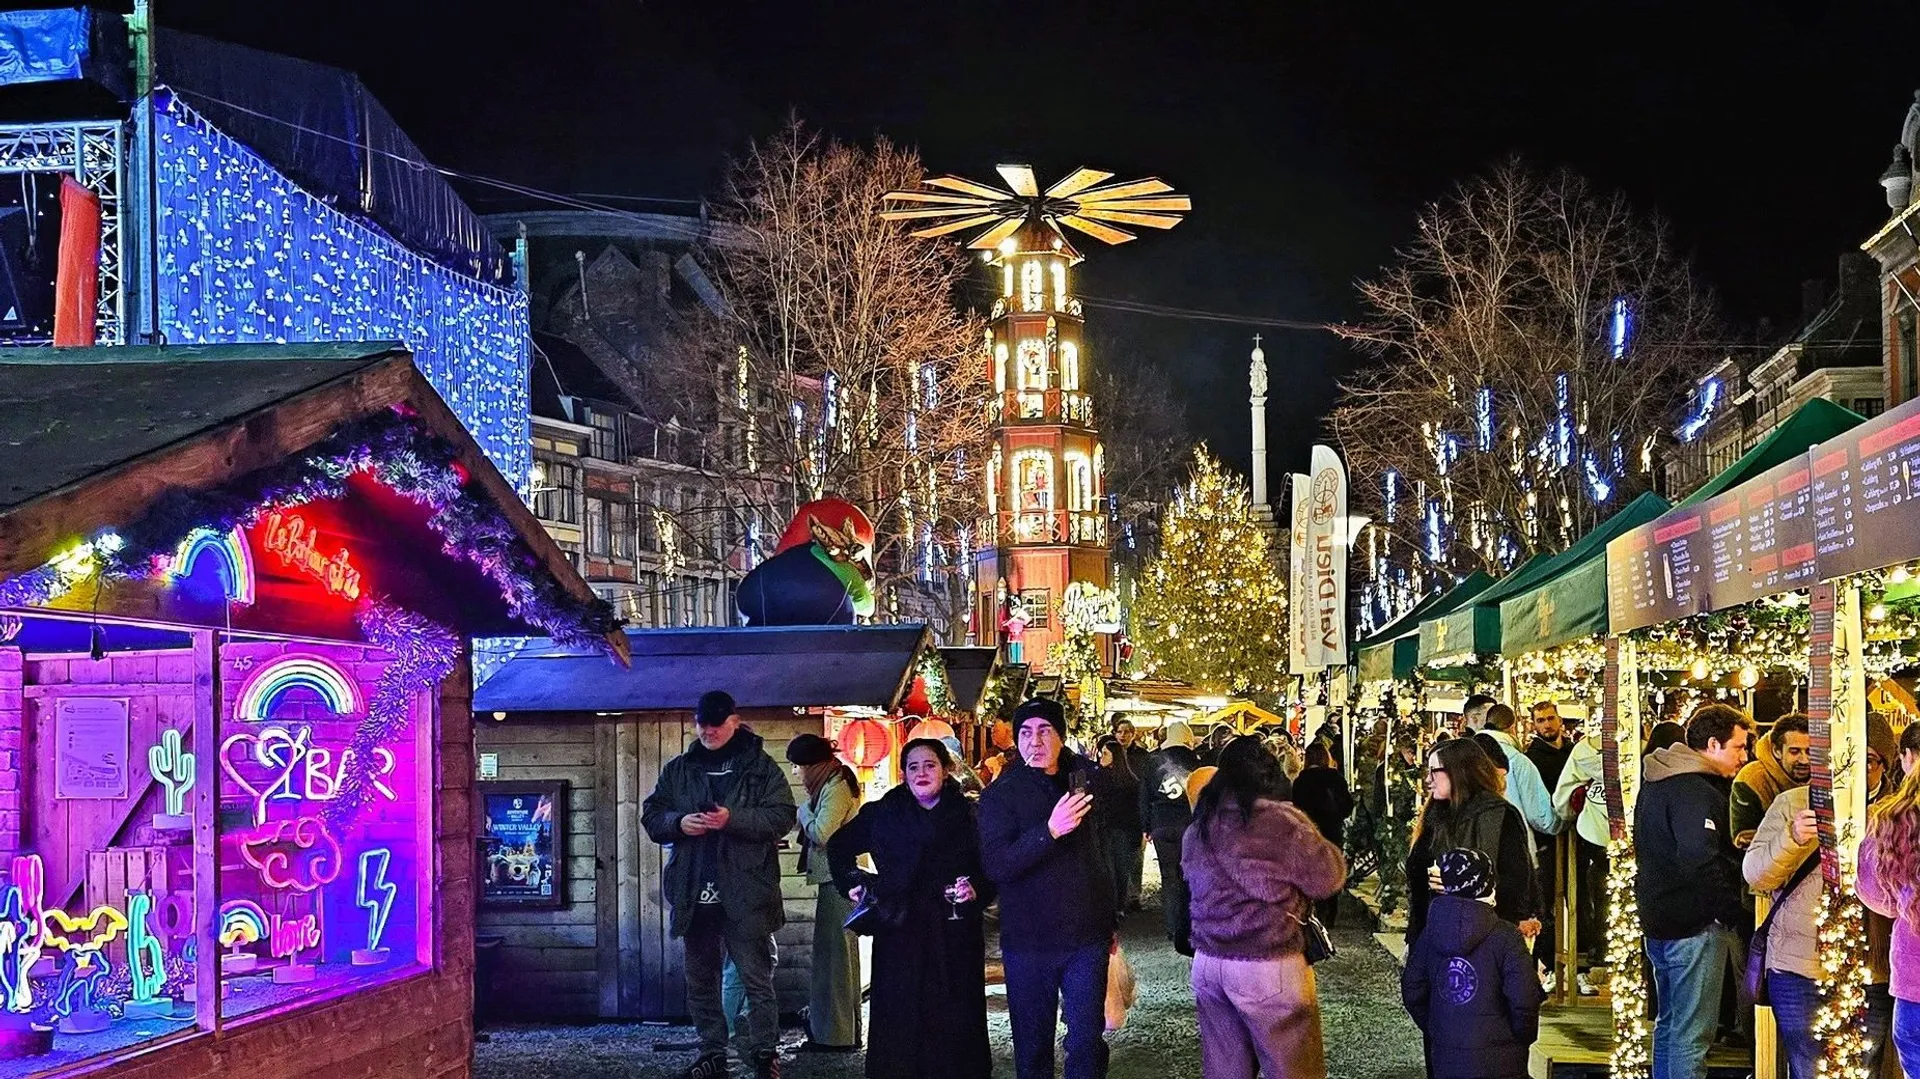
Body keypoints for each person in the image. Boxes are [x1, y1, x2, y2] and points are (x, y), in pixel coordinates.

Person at [641, 691, 799, 1079]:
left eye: (715, 723)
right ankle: (712, 1050)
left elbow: (782, 817)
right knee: (701, 981)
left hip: (747, 893)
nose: (708, 731)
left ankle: (764, 1053)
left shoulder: (760, 768)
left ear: (733, 721)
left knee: (755, 978)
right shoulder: (679, 769)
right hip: (694, 891)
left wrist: (733, 819)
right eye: (702, 724)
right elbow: (652, 815)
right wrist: (678, 823)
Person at [1181, 736, 1347, 1079]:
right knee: (1293, 1069)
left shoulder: (1199, 826)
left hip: (1209, 963)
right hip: (1266, 962)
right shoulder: (1280, 822)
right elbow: (1327, 878)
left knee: (1226, 1069)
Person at [1745, 712, 1899, 1079]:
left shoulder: (1896, 814)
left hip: (1871, 971)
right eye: (1847, 757)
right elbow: (1756, 874)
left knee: (1862, 1066)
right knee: (1808, 1067)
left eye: (1870, 760)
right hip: (1798, 967)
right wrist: (1794, 838)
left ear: (1885, 765)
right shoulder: (1793, 803)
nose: (1857, 770)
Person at [827, 738, 994, 1079]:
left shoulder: (969, 814)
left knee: (956, 1017)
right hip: (900, 928)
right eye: (913, 767)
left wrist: (976, 887)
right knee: (900, 1018)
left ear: (946, 771)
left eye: (930, 765)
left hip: (954, 932)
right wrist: (853, 882)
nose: (921, 773)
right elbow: (839, 846)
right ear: (903, 774)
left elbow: (991, 866)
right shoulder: (884, 812)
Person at [978, 698, 1116, 1079]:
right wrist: (1049, 832)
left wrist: (1109, 922)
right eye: (1025, 732)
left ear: (1061, 737)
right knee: (1033, 1044)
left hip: (1085, 937)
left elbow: (1096, 857)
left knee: (1087, 1041)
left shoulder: (1083, 783)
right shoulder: (1001, 795)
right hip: (1029, 940)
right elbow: (996, 865)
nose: (1034, 741)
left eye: (1044, 731)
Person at [1636, 703, 1752, 1079]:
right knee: (1691, 1034)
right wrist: (1731, 911)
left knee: (1671, 1025)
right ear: (1714, 744)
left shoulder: (1658, 781)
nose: (1744, 756)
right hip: (1695, 925)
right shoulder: (1694, 791)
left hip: (1660, 917)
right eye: (1739, 747)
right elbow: (1699, 857)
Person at [1402, 848, 1544, 1079]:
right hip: (1503, 1062)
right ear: (1487, 884)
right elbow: (1525, 999)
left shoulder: (1430, 934)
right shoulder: (1506, 937)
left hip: (1446, 1059)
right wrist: (1521, 1037)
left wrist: (1437, 1029)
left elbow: (1412, 989)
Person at [1406, 737, 1542, 946]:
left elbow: (1517, 880)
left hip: (1483, 939)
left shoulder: (1498, 815)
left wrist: (1460, 884)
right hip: (1433, 936)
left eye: (1435, 771)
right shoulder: (1436, 814)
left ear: (1459, 772)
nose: (1428, 779)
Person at [786, 733, 863, 1052]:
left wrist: (803, 811)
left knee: (835, 962)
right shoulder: (833, 782)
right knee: (837, 960)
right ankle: (838, 1031)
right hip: (835, 879)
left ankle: (837, 1036)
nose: (797, 774)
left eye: (799, 767)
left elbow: (821, 833)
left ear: (813, 766)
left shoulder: (836, 788)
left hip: (838, 881)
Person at [1856, 725, 1920, 1079]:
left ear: (1907, 758)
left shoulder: (1891, 819)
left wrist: (1906, 905)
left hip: (1915, 979)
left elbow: (1872, 892)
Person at [1141, 720, 1202, 953]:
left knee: (1169, 878)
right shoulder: (1196, 761)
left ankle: (1172, 927)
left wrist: (1146, 826)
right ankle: (1191, 925)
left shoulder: (1152, 761)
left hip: (1162, 825)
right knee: (1191, 877)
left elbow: (1144, 796)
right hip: (1190, 825)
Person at [1291, 742, 1355, 927]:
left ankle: (1312, 910)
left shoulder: (1301, 780)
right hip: (1332, 829)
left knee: (1309, 870)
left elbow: (1296, 807)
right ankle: (1331, 912)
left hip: (1309, 831)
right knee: (1332, 868)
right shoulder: (1335, 778)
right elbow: (1347, 805)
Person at [1730, 713, 1811, 849]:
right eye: (1795, 751)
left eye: (1810, 751)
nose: (1804, 760)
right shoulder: (1752, 779)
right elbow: (1744, 839)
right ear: (1777, 751)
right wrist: (1792, 837)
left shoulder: (1828, 775)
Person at [1094, 732, 1146, 914]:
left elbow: (1136, 811)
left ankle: (1118, 905)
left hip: (1120, 832)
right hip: (1108, 831)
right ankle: (1113, 905)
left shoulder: (1128, 783)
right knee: (1110, 870)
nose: (1101, 757)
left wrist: (1139, 833)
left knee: (1119, 870)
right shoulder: (1101, 778)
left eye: (1106, 754)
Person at [1525, 701, 1576, 792]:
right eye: (1540, 721)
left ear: (1560, 721)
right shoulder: (1530, 760)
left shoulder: (1575, 751)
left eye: (1551, 718)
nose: (1547, 725)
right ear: (1534, 726)